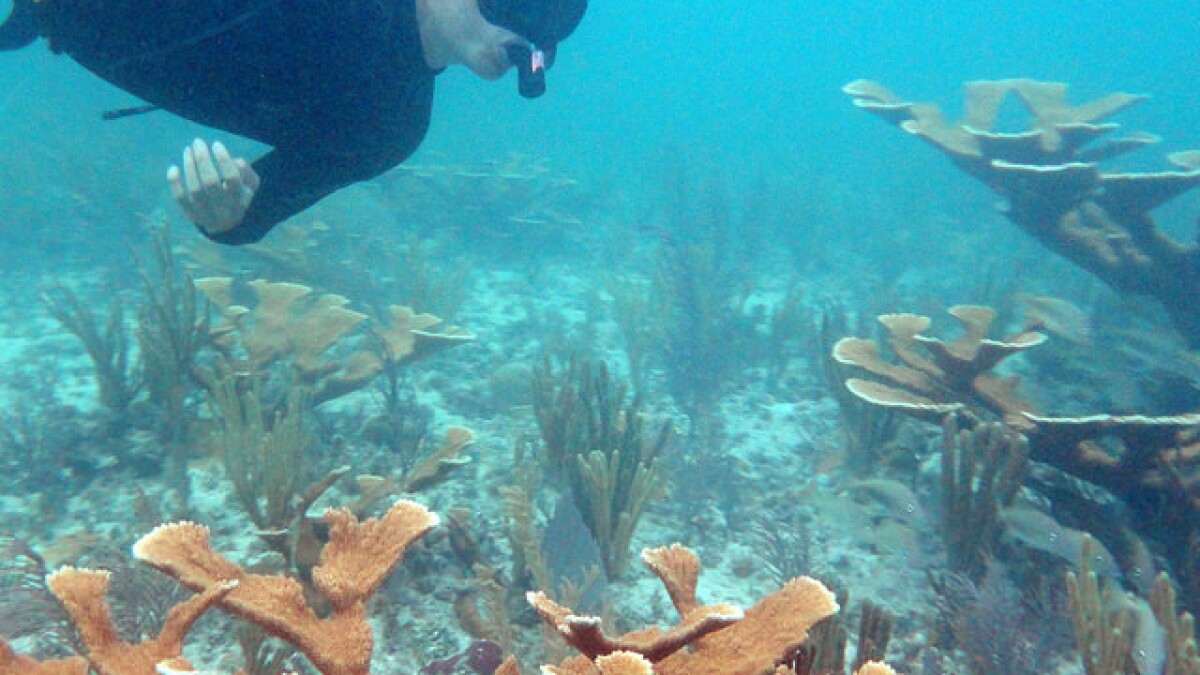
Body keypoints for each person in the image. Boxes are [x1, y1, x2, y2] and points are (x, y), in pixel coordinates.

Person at [0, 0, 587, 244]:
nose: (525, 45)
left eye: (545, 41)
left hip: (55, 24)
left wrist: (223, 214)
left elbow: (251, 215)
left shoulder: (390, 126)